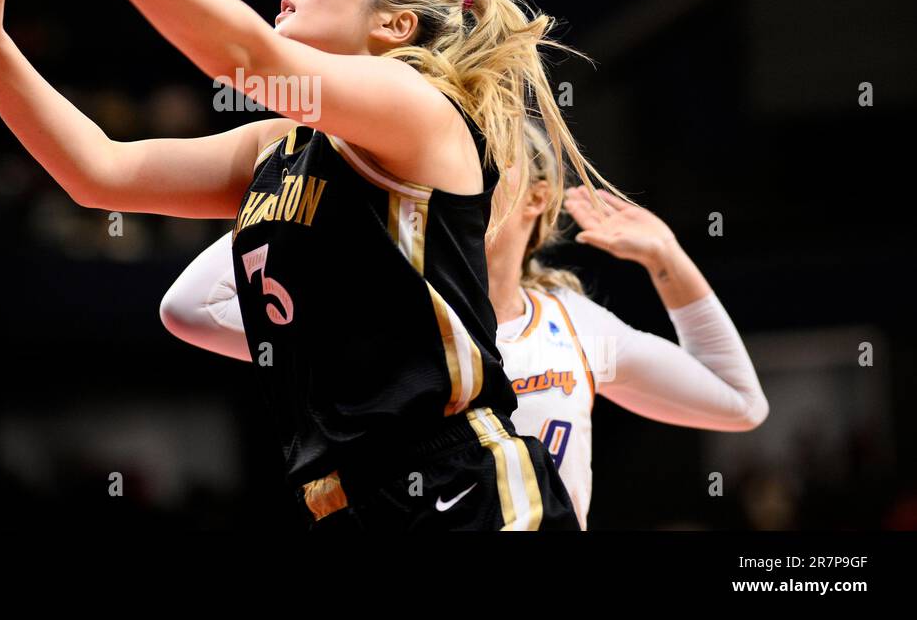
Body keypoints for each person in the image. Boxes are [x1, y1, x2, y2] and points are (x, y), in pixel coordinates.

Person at [0, 0, 624, 529]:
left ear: (395, 25)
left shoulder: (417, 109)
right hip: (349, 500)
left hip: (460, 484)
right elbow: (98, 172)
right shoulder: (281, 145)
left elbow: (245, 57)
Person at [161, 120, 769, 528]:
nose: (460, 173)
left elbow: (741, 404)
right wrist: (311, 182)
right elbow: (187, 310)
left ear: (536, 195)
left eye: (486, 162)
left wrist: (668, 258)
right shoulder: (393, 320)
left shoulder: (574, 325)